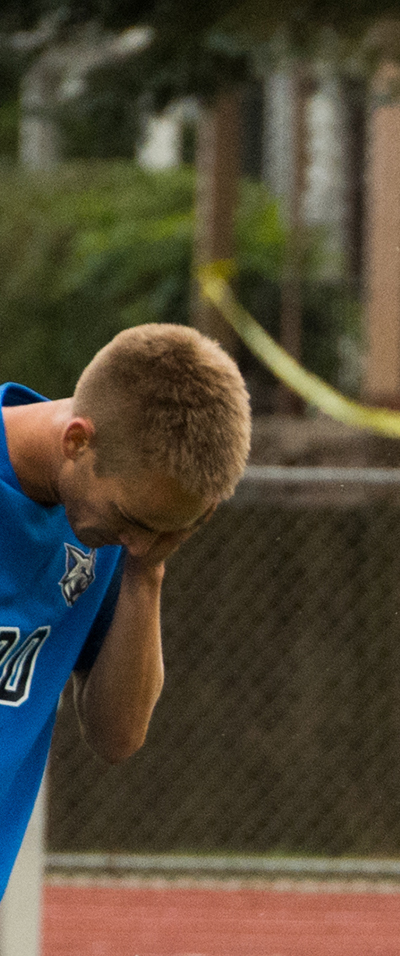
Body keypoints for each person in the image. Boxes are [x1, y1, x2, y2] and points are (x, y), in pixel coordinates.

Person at [0, 323, 251, 893]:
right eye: (133, 521)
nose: (136, 542)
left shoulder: (109, 535)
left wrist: (147, 572)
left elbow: (117, 737)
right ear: (76, 442)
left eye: (164, 531)